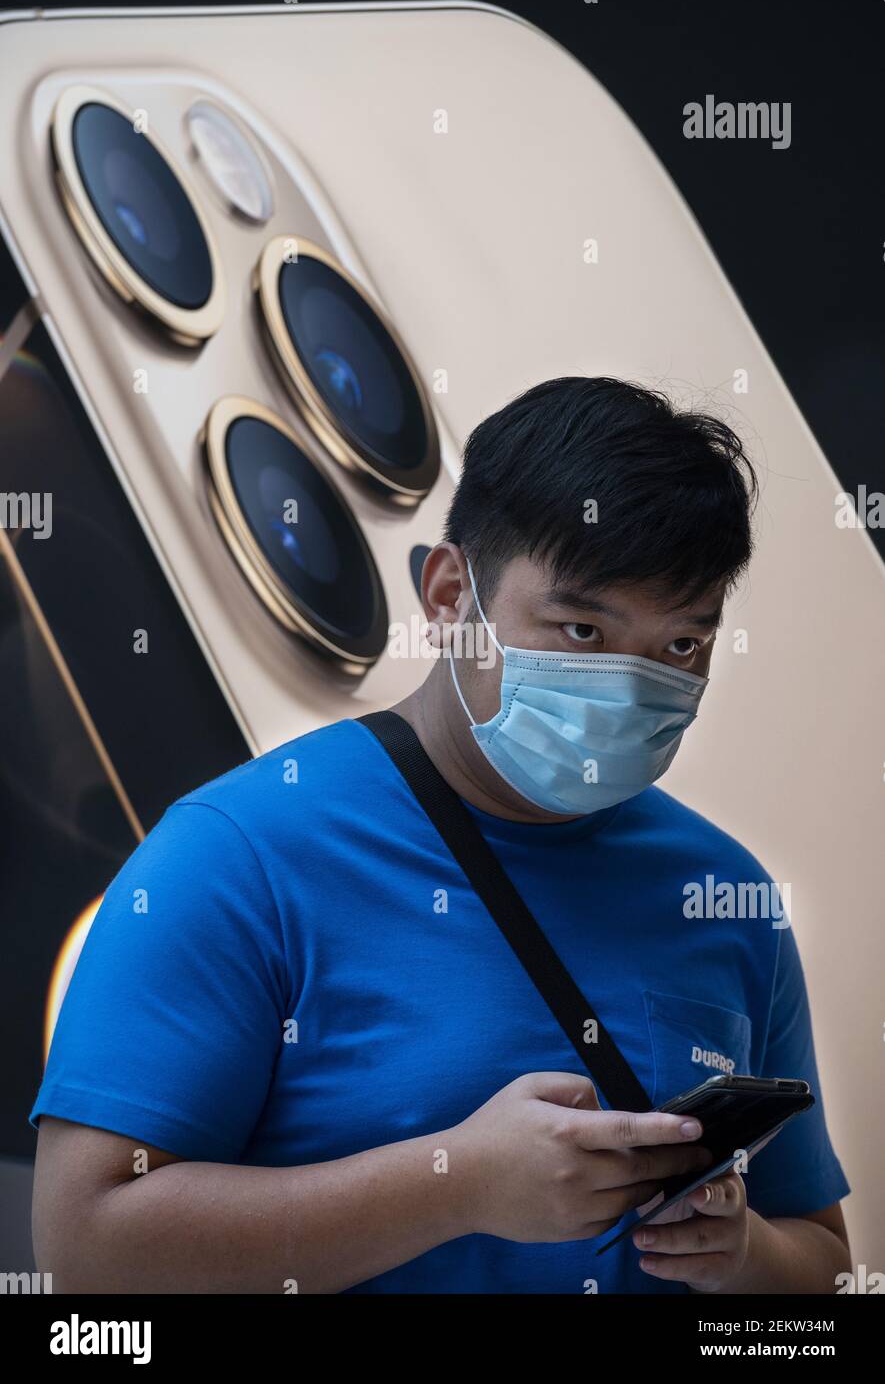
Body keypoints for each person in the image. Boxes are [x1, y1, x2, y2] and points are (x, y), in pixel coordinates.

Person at [30, 376, 850, 1294]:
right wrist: (450, 1186)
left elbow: (819, 1261)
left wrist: (743, 1258)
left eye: (679, 648)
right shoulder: (235, 858)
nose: (628, 690)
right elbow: (84, 1253)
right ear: (451, 593)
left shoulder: (725, 895)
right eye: (581, 629)